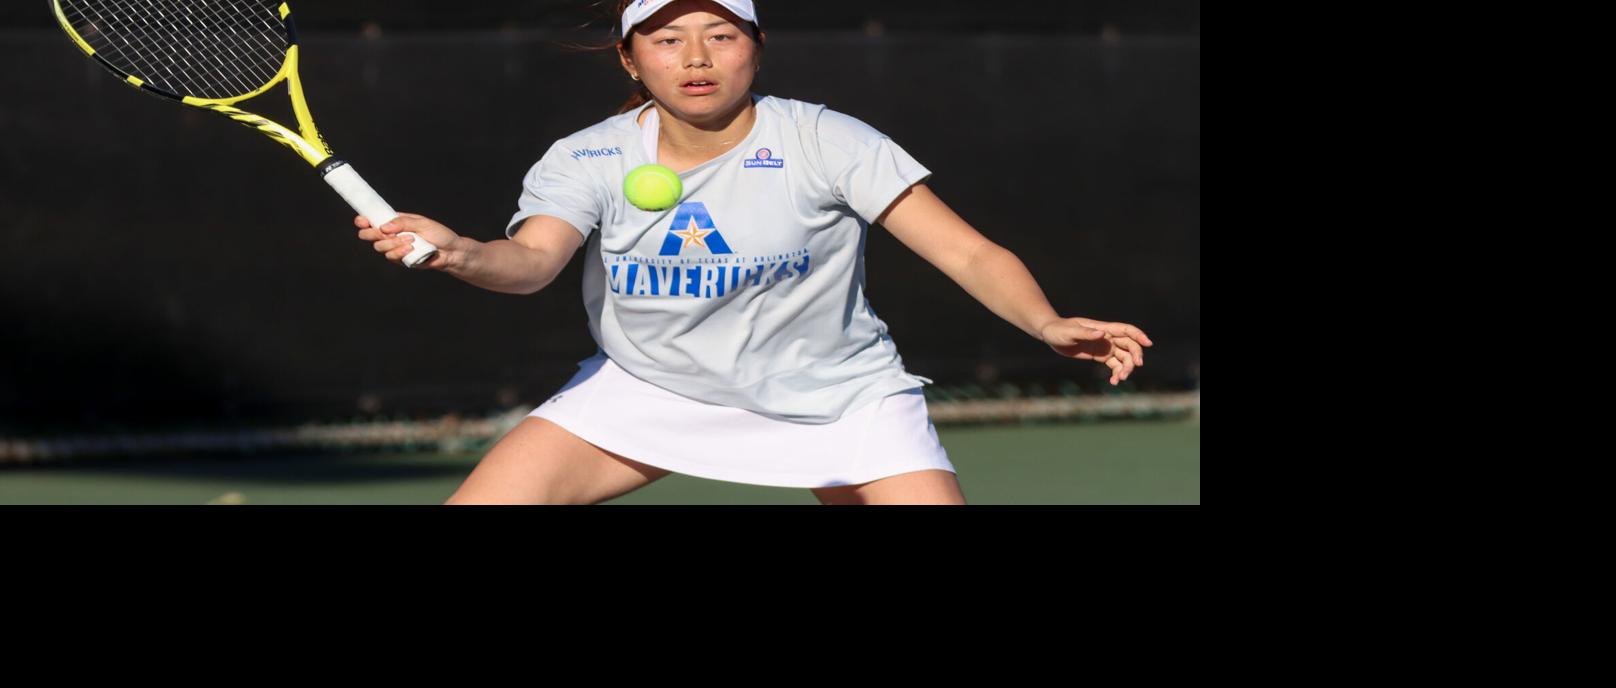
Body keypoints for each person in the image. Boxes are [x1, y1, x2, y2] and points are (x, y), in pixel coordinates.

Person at [354, 0, 1154, 505]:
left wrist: (1044, 323)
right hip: (649, 385)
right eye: (667, 39)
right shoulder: (589, 156)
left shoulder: (822, 138)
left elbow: (967, 253)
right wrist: (460, 252)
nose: (695, 58)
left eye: (719, 35)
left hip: (837, 399)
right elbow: (530, 263)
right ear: (633, 60)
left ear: (756, 48)